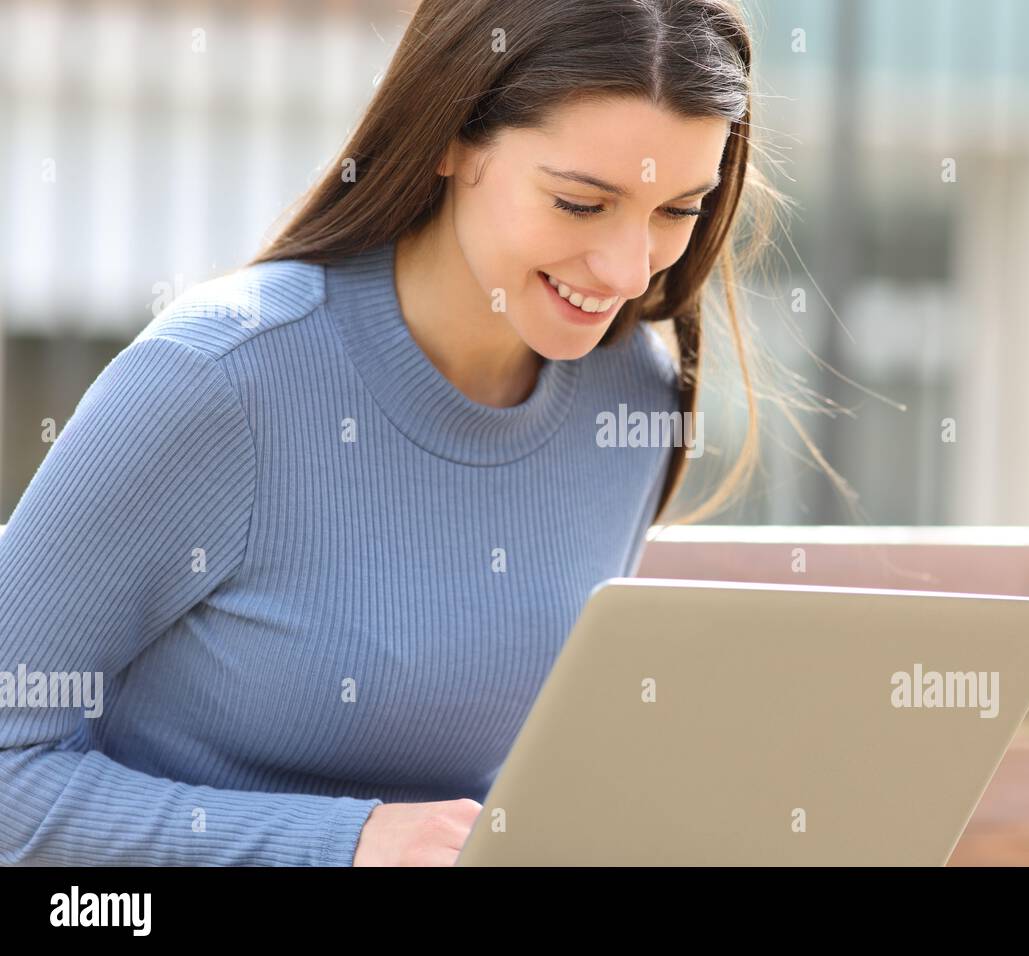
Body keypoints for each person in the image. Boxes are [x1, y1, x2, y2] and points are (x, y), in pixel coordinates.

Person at [0, 0, 788, 866]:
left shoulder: (632, 393)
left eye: (678, 210)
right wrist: (344, 846)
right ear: (451, 137)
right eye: (579, 203)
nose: (629, 268)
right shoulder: (219, 380)